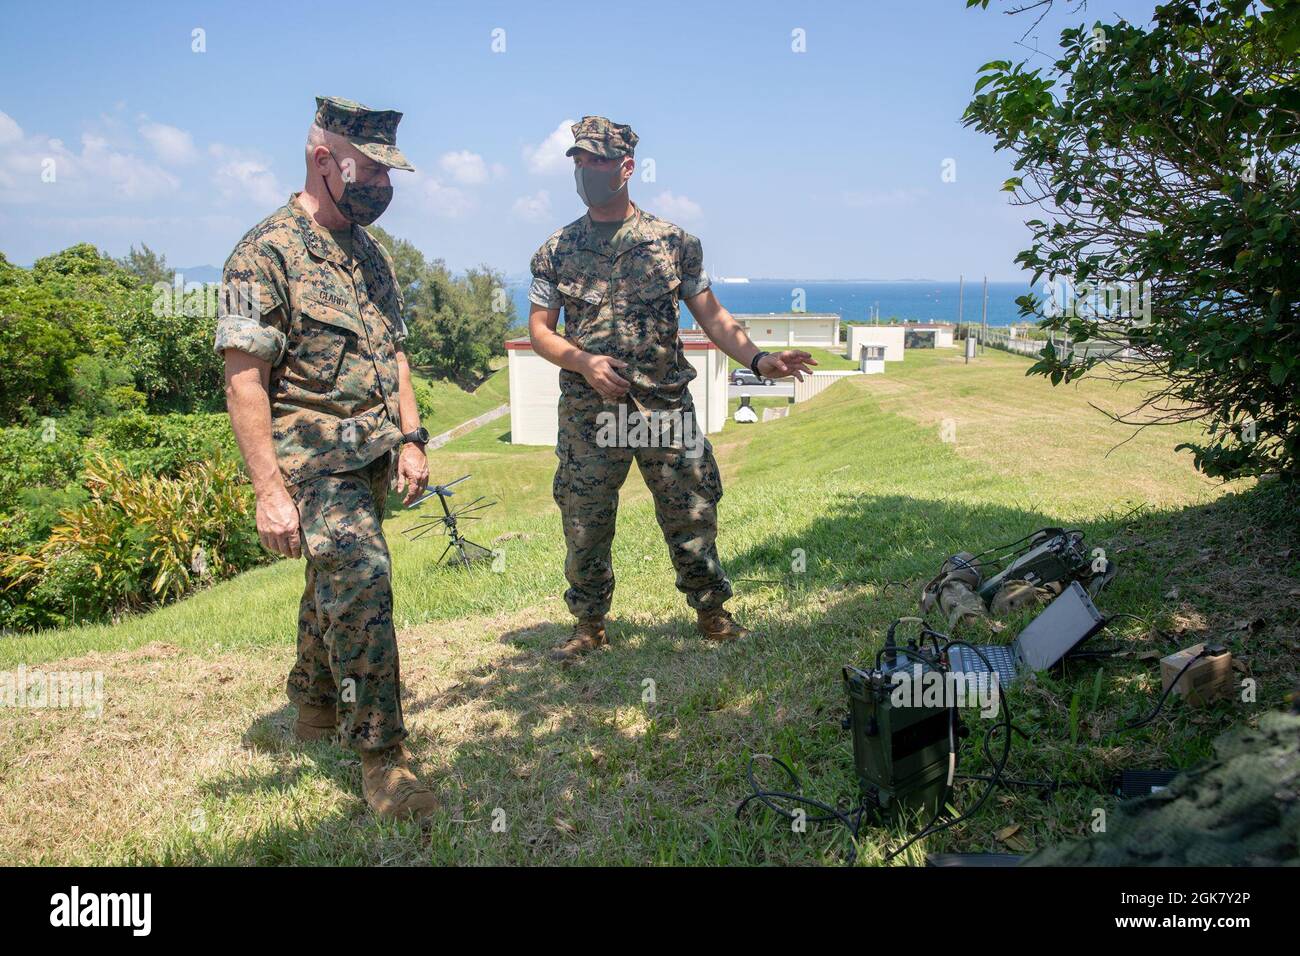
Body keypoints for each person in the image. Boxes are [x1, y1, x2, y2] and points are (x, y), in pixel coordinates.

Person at [215, 96, 437, 819]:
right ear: (322, 160)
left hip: (371, 451)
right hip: (312, 461)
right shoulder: (264, 253)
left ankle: (312, 703)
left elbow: (393, 349)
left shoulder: (369, 253)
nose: (384, 187)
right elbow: (244, 377)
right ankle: (383, 760)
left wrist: (410, 436)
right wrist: (268, 491)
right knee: (363, 577)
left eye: (389, 173)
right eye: (370, 170)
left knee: (333, 578)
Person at [528, 116, 816, 664]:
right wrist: (584, 361)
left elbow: (711, 315)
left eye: (595, 160)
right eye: (579, 161)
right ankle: (589, 623)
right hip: (591, 411)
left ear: (626, 167)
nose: (585, 169)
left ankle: (711, 611)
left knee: (691, 511)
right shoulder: (555, 250)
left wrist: (760, 359)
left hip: (662, 405)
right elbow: (539, 331)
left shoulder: (675, 243)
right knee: (585, 518)